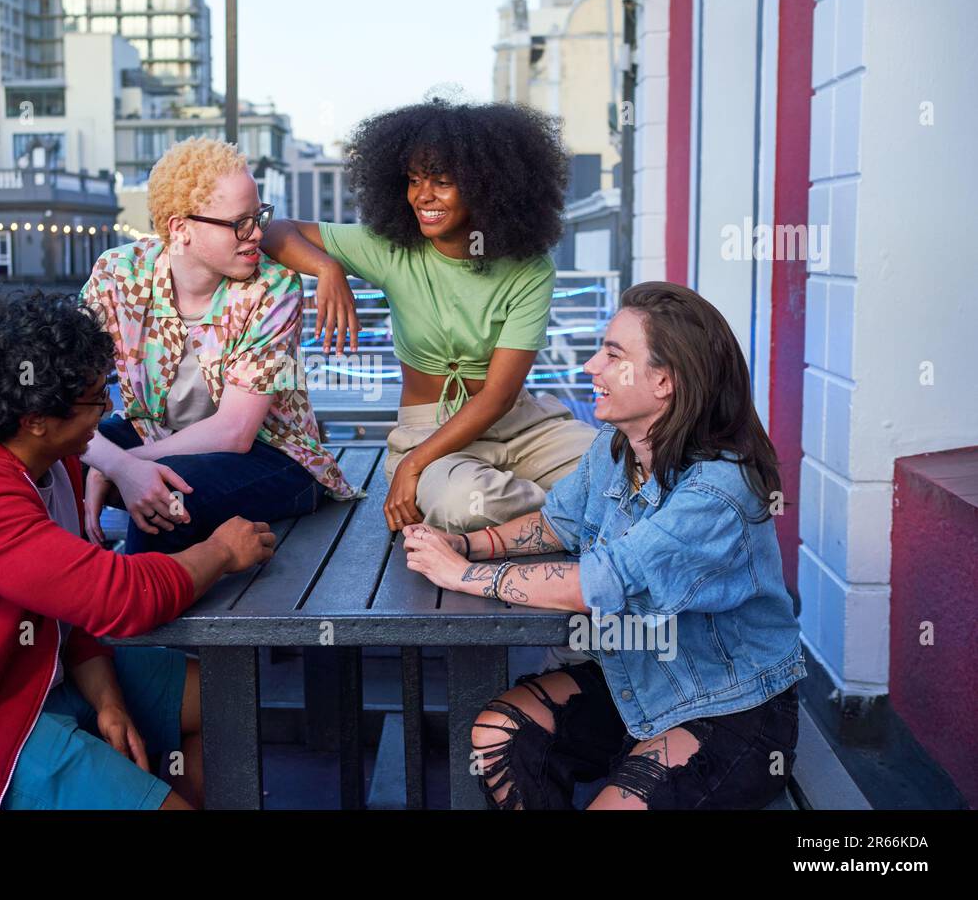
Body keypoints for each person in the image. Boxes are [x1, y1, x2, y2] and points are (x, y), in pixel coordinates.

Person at [0, 288, 275, 810]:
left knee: (229, 699)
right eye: (96, 399)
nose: (106, 411)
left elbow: (70, 607)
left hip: (39, 667)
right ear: (36, 418)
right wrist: (221, 552)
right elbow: (116, 595)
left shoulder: (55, 460)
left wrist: (107, 700)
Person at [402, 282, 806, 810]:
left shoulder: (718, 489)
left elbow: (596, 585)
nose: (592, 366)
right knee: (498, 734)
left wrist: (460, 574)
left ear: (664, 380)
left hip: (727, 705)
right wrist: (466, 542)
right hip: (634, 675)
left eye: (613, 356)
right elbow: (556, 525)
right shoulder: (615, 451)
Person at [262, 98, 598, 534]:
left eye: (442, 182)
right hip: (430, 433)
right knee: (464, 506)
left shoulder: (528, 266)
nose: (423, 196)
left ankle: (550, 520)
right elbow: (274, 230)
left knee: (618, 470)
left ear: (488, 187)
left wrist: (412, 468)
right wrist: (328, 268)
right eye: (415, 180)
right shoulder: (391, 248)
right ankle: (572, 519)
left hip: (520, 425)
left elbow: (497, 397)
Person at [79, 137, 358, 555]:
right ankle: (63, 592)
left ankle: (135, 606)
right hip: (154, 432)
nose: (258, 234)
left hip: (275, 456)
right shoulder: (119, 274)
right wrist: (115, 462)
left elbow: (235, 432)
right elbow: (58, 398)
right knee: (43, 452)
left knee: (169, 495)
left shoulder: (273, 286)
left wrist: (124, 463)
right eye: (239, 223)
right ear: (180, 228)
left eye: (259, 216)